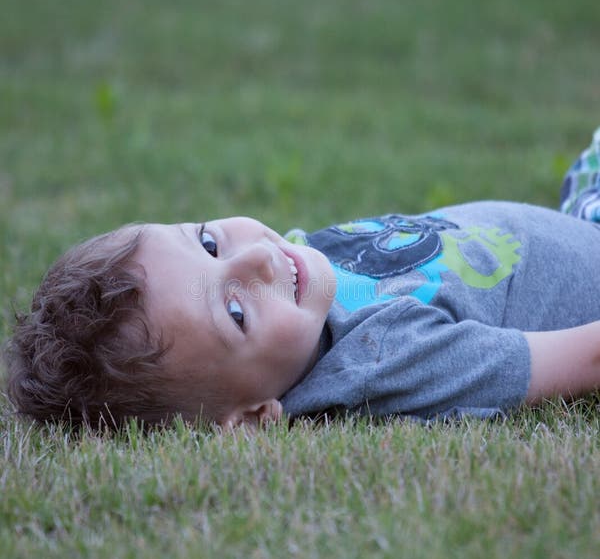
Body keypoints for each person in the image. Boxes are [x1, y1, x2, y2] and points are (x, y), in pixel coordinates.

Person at [7, 129, 600, 428]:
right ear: (255, 417)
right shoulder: (386, 358)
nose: (258, 261)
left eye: (208, 242)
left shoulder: (298, 287)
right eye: (236, 312)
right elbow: (584, 359)